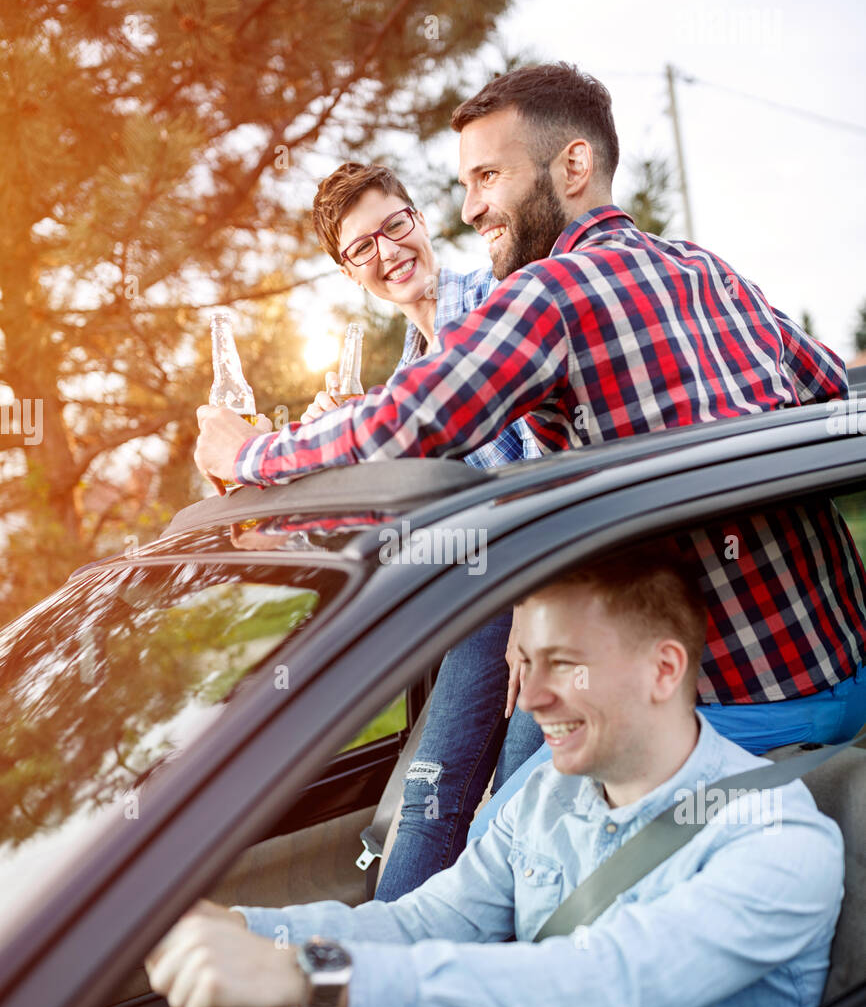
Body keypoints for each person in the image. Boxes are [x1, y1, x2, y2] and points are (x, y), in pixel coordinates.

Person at [195, 61, 866, 759]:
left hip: (726, 716)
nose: (470, 209)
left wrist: (244, 455)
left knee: (512, 838)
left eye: (489, 177)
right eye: (464, 186)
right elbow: (831, 395)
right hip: (845, 675)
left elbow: (408, 427)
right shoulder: (709, 271)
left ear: (573, 165)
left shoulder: (548, 293)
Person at [145, 544, 845, 1007]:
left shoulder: (776, 840)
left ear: (663, 670)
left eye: (564, 665)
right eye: (528, 661)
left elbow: (596, 994)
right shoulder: (547, 797)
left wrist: (313, 980)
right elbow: (423, 925)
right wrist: (251, 931)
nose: (531, 696)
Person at [303, 162, 544, 900]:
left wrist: (539, 607)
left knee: (525, 806)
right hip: (484, 600)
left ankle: (506, 988)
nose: (386, 252)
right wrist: (329, 467)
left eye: (393, 225)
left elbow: (554, 470)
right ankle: (371, 986)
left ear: (420, 218)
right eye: (360, 248)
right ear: (349, 272)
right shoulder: (406, 374)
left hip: (562, 583)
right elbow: (398, 528)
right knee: (427, 805)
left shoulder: (501, 302)